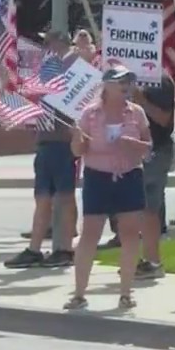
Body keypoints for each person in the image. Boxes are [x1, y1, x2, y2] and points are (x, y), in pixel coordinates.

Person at [66, 66, 153, 310]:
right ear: (106, 85)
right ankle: (79, 294)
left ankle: (126, 293)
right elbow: (78, 151)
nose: (125, 86)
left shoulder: (136, 113)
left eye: (128, 81)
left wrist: (133, 144)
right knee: (90, 234)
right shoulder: (90, 114)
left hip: (130, 175)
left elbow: (149, 146)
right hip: (98, 177)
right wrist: (76, 137)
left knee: (130, 234)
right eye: (119, 81)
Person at [6, 33, 78, 269]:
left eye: (50, 44)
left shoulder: (74, 70)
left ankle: (65, 248)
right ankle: (35, 249)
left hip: (63, 142)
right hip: (45, 142)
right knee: (43, 198)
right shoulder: (44, 72)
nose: (47, 48)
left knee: (64, 198)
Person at [131, 71, 175, 277]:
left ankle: (153, 261)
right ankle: (137, 259)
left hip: (156, 150)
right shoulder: (121, 79)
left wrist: (141, 100)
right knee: (132, 210)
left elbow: (164, 119)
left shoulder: (161, 81)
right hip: (128, 152)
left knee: (149, 208)